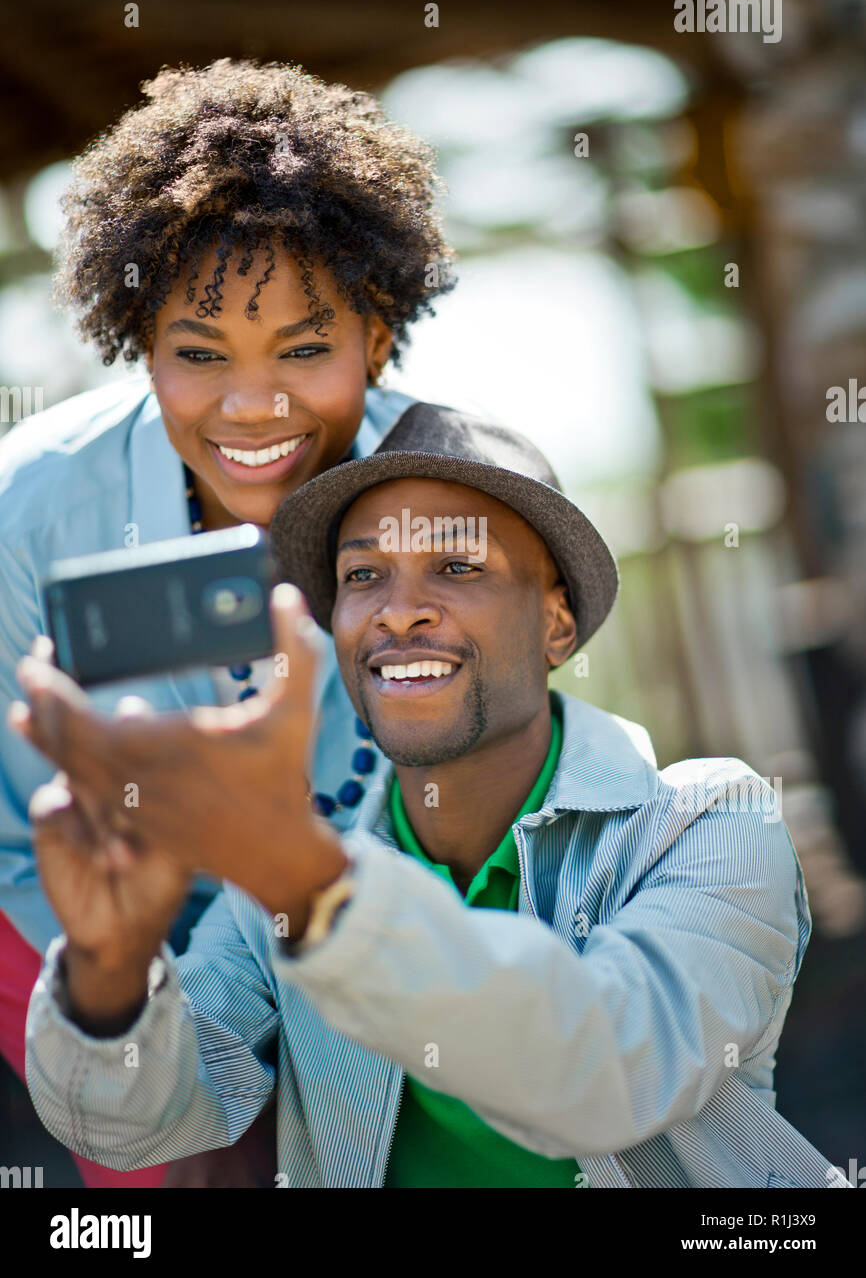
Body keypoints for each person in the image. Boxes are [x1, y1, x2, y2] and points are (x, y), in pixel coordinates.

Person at [16, 402, 844, 1187]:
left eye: (456, 566)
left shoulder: (708, 823)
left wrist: (312, 885)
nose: (400, 612)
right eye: (364, 574)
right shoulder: (277, 879)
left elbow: (610, 1071)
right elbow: (135, 1126)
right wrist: (111, 966)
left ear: (558, 624)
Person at [0, 58, 455, 1186]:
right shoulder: (31, 510)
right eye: (198, 356)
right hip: (80, 922)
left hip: (374, 922)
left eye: (305, 348)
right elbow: (17, 847)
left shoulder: (453, 486)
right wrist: (141, 1010)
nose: (253, 406)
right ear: (139, 343)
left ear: (379, 332)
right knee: (178, 1168)